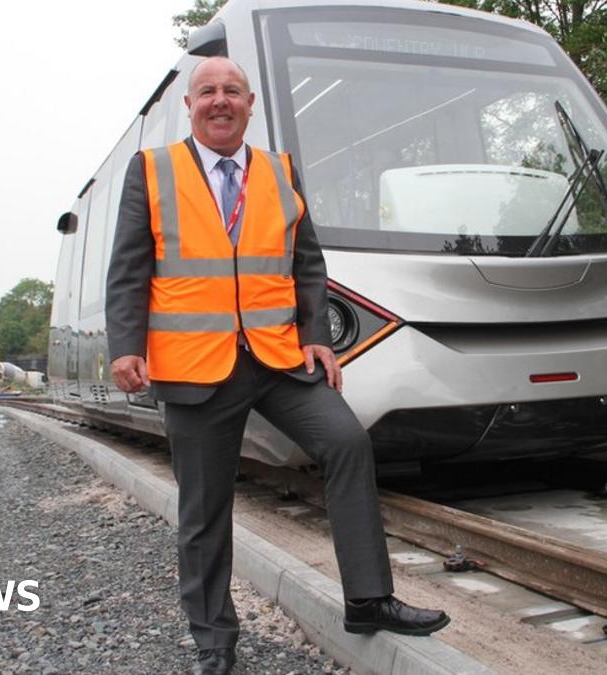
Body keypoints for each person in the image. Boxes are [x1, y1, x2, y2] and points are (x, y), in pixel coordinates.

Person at [105, 57, 449, 675]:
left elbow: (306, 264)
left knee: (345, 442)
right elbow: (130, 267)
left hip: (275, 358)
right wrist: (125, 345)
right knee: (205, 510)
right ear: (190, 106)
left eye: (230, 91)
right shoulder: (152, 171)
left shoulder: (278, 171)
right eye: (207, 91)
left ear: (249, 103)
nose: (219, 100)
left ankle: (368, 599)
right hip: (195, 367)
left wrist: (316, 334)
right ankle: (214, 639)